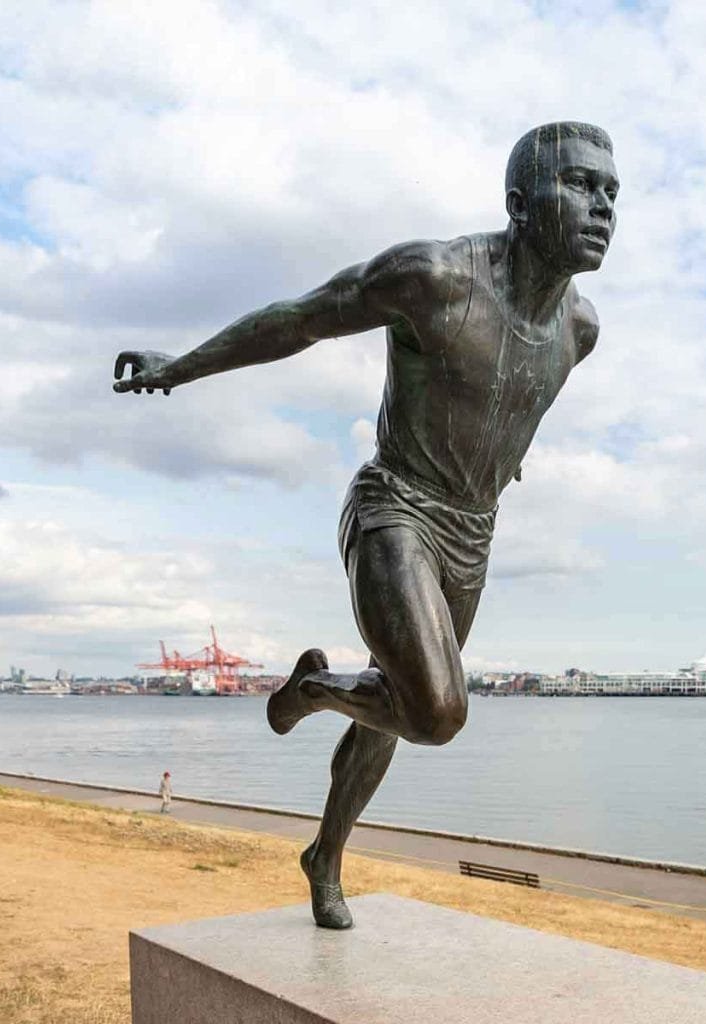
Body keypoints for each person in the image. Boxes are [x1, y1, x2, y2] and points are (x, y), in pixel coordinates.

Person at [113, 121, 619, 928]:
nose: (602, 206)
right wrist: (178, 367)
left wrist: (502, 454)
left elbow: (507, 398)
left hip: (473, 535)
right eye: (581, 185)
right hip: (396, 508)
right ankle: (313, 688)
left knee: (393, 713)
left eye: (611, 193)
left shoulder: (579, 331)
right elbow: (304, 317)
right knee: (436, 711)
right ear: (521, 203)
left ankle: (324, 857)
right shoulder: (435, 278)